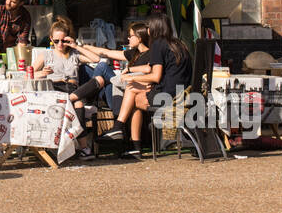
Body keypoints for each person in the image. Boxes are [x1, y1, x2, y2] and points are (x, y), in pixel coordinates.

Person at [65, 21, 153, 159]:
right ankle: (88, 96)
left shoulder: (150, 54)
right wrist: (78, 46)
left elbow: (149, 71)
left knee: (102, 68)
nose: (128, 38)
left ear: (140, 37)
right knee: (93, 70)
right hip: (121, 92)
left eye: (131, 36)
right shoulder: (133, 53)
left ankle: (88, 98)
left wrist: (129, 70)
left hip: (131, 91)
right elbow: (106, 52)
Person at [110, 13, 192, 159]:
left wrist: (131, 77)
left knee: (131, 91)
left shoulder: (158, 45)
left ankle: (120, 129)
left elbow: (156, 76)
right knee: (134, 90)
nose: (147, 29)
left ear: (153, 29)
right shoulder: (180, 44)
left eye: (148, 26)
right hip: (184, 94)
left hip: (168, 97)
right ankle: (127, 137)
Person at [31, 17, 80, 91]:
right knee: (78, 101)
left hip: (73, 88)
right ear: (51, 38)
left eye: (63, 41)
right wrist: (42, 73)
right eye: (56, 41)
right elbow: (28, 75)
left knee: (79, 101)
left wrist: (76, 46)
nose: (60, 44)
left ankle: (72, 98)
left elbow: (96, 59)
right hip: (56, 88)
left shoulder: (73, 53)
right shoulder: (46, 54)